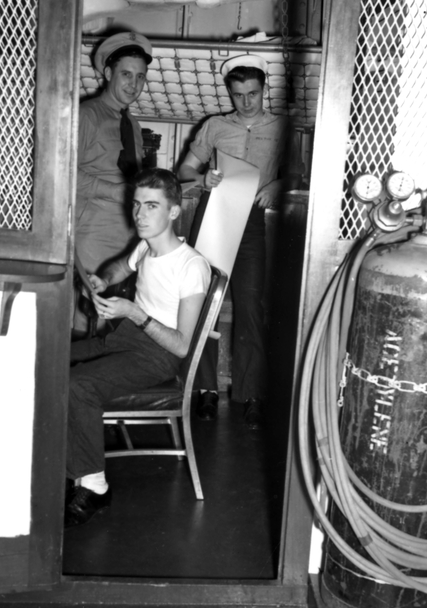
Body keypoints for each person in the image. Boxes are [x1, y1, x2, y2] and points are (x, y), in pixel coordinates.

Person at [66, 169, 211, 526]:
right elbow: (121, 267)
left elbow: (181, 346)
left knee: (78, 385)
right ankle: (71, 465)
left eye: (151, 206)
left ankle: (95, 487)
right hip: (124, 340)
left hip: (156, 356)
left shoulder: (191, 266)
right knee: (47, 357)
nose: (140, 215)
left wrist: (133, 312)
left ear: (174, 212)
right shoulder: (146, 245)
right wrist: (105, 279)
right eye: (136, 205)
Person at [177, 54, 286, 429]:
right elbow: (184, 170)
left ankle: (251, 394)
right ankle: (204, 389)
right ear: (230, 93)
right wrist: (200, 178)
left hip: (253, 223)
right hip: (214, 216)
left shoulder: (282, 127)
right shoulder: (215, 126)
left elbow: (300, 173)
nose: (246, 102)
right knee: (205, 301)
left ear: (264, 90)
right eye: (238, 94)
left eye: (253, 93)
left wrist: (277, 185)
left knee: (251, 307)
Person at [75, 31, 153, 276]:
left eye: (140, 76)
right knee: (86, 307)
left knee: (109, 308)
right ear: (109, 74)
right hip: (92, 231)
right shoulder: (87, 115)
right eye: (126, 75)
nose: (134, 84)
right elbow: (60, 175)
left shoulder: (134, 126)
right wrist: (115, 192)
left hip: (129, 230)